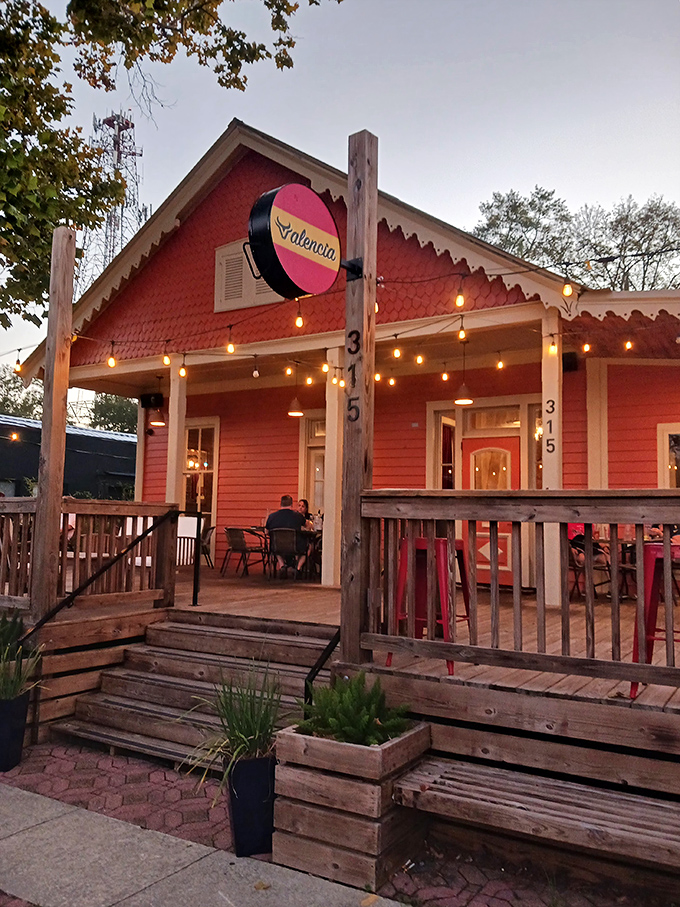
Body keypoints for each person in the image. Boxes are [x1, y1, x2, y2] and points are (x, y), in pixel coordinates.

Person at [265, 494, 307, 578]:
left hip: (277, 547)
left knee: (276, 548)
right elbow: (307, 525)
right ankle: (298, 569)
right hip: (294, 547)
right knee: (306, 549)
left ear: (280, 504)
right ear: (291, 505)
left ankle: (282, 565)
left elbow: (266, 532)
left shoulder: (272, 517)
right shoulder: (297, 516)